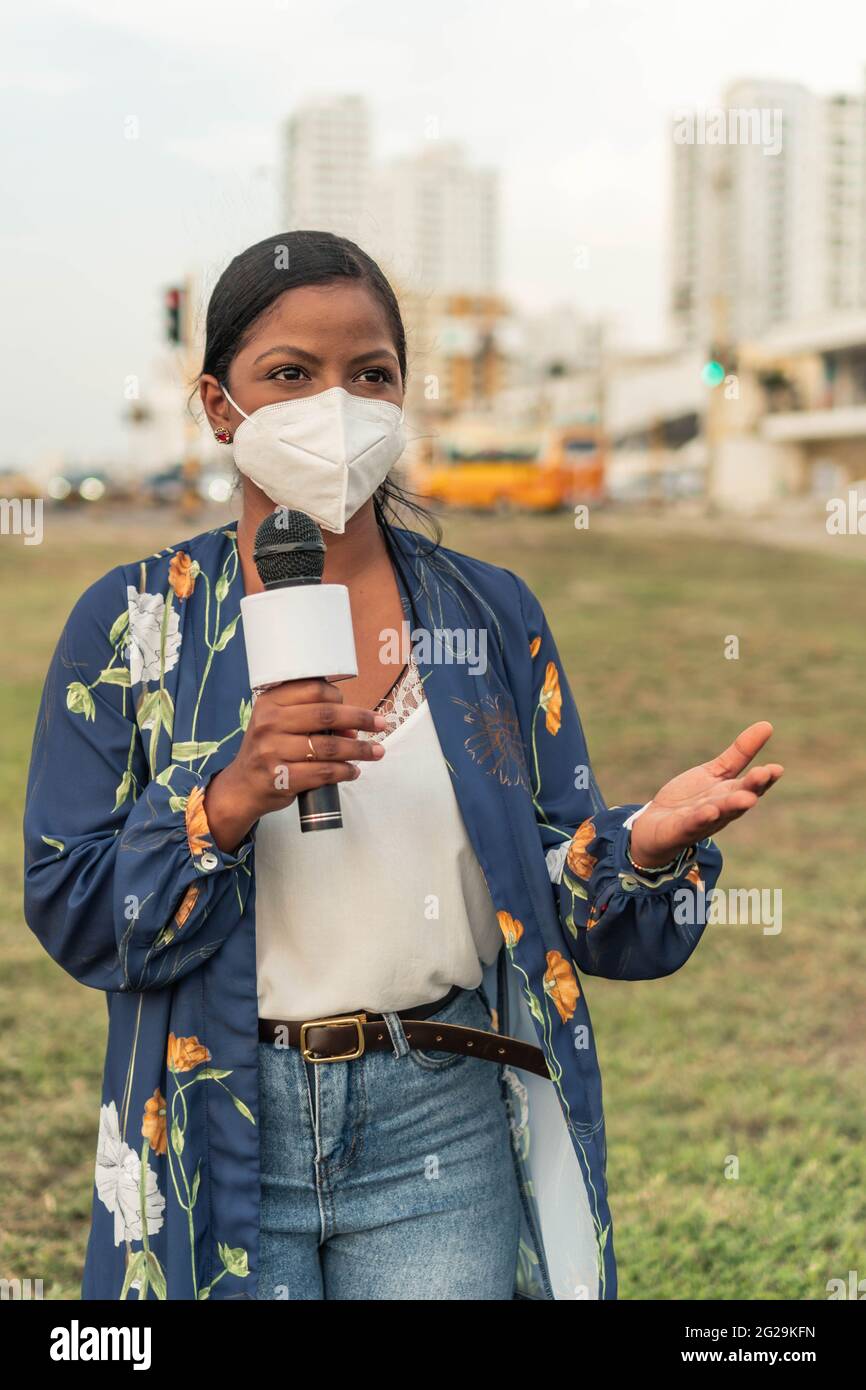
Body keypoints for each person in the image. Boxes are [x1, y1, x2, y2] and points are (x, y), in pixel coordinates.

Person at [22, 229, 783, 1301]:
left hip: (441, 1118)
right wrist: (227, 801)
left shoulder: (490, 613)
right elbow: (74, 904)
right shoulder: (134, 624)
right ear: (216, 404)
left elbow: (557, 883)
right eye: (290, 373)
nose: (335, 403)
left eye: (369, 373)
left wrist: (639, 853)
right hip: (221, 1120)